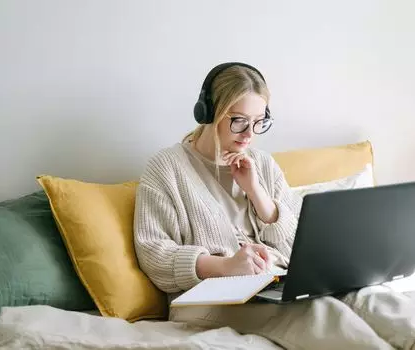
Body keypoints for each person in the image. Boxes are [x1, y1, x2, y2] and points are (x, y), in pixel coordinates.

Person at [133, 62, 415, 350]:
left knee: (371, 299)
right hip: (205, 299)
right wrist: (226, 266)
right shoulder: (166, 168)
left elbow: (298, 247)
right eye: (239, 120)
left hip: (276, 283)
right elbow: (154, 253)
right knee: (322, 316)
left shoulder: (262, 164)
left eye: (258, 122)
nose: (249, 134)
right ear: (208, 113)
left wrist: (258, 194)